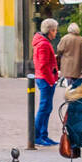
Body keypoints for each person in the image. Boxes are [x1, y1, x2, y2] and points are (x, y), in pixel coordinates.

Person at [32, 18, 60, 146]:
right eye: (55, 30)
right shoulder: (43, 44)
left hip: (45, 78)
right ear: (50, 30)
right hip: (45, 79)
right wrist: (50, 81)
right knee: (44, 108)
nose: (56, 33)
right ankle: (36, 136)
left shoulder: (44, 42)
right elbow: (43, 65)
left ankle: (43, 135)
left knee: (47, 108)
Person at [55, 22, 82, 89]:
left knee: (68, 84)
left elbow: (59, 50)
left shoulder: (65, 38)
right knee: (76, 84)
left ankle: (69, 96)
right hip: (78, 65)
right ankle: (74, 97)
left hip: (67, 65)